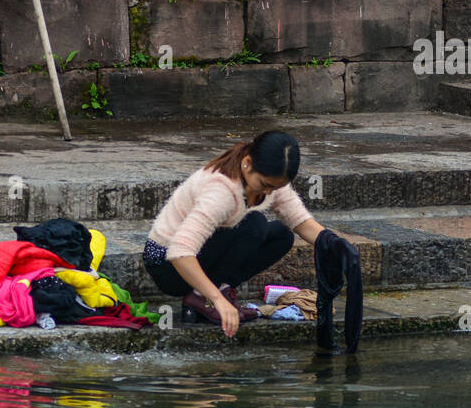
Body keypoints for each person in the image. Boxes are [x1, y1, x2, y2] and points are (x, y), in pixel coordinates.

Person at [142, 130, 351, 337]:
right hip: (168, 266)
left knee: (281, 235)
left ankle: (214, 290)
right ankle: (203, 297)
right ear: (247, 163)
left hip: (200, 252)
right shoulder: (221, 191)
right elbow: (180, 252)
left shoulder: (269, 180)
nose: (269, 193)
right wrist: (217, 300)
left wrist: (336, 245)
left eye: (276, 187)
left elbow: (300, 220)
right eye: (265, 185)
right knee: (255, 223)